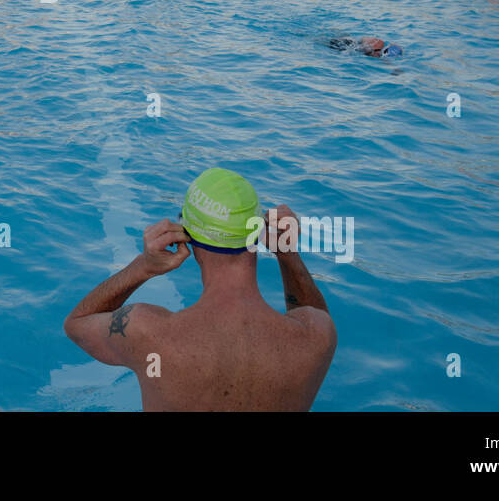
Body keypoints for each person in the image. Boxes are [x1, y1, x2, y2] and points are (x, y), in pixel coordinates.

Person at [63, 169, 335, 411]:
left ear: (187, 235)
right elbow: (313, 314)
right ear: (258, 234)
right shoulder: (315, 337)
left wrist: (143, 266)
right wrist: (288, 255)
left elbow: (77, 324)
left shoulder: (147, 332)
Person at [328, 36, 401, 58]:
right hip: (347, 42)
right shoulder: (377, 44)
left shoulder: (379, 47)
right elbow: (364, 38)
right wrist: (366, 46)